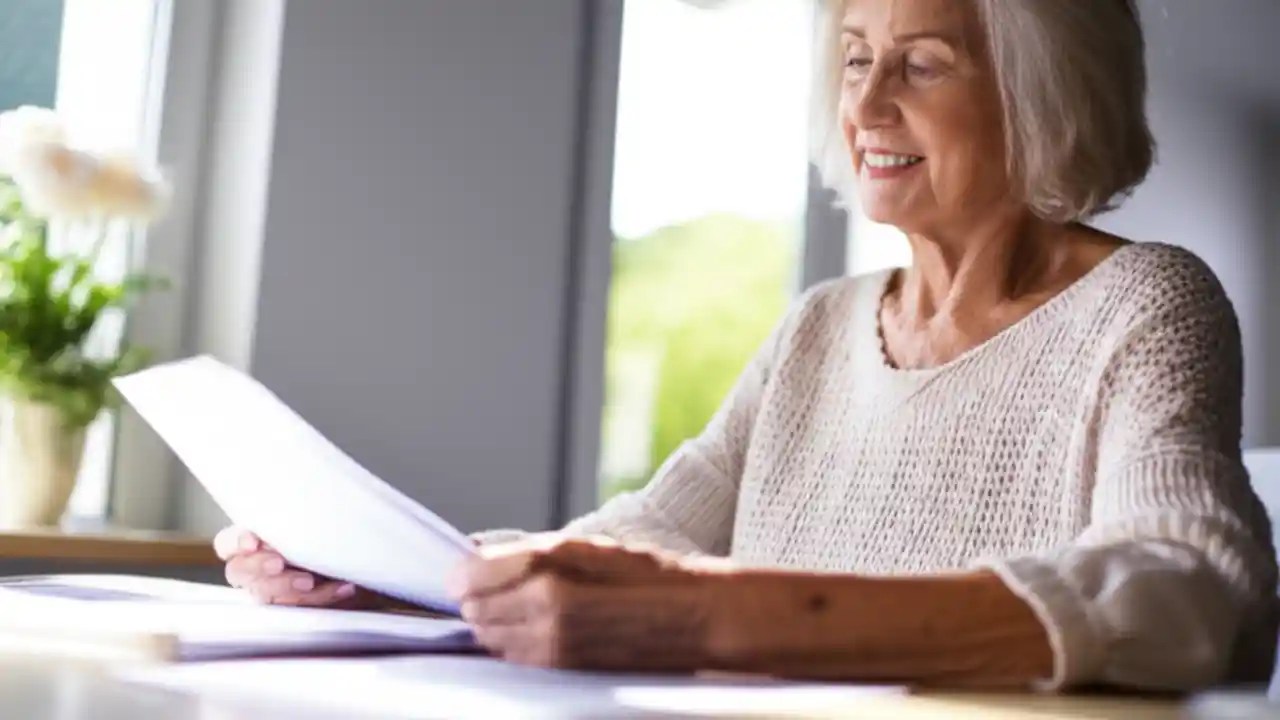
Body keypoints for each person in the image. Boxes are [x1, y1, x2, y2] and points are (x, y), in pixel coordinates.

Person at [214, 0, 1278, 691]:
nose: (863, 101)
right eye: (854, 57)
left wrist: (723, 616)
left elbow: (1193, 591)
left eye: (920, 65)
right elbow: (637, 542)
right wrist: (388, 577)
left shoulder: (1144, 301)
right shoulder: (818, 325)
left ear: (1041, 93)